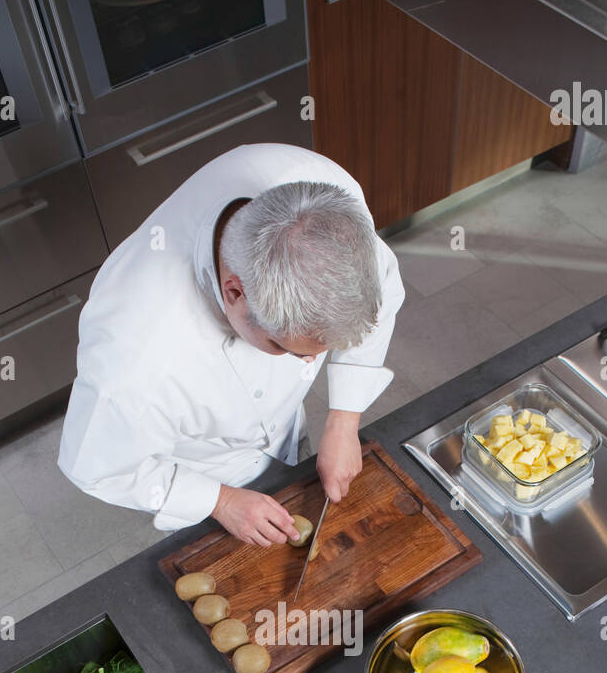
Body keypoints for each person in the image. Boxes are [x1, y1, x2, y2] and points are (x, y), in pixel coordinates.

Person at [58, 142, 405, 545]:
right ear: (235, 292)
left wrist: (343, 420)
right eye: (284, 348)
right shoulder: (135, 360)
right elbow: (96, 465)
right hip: (207, 466)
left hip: (283, 429)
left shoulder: (322, 201)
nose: (310, 365)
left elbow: (382, 293)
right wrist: (218, 501)